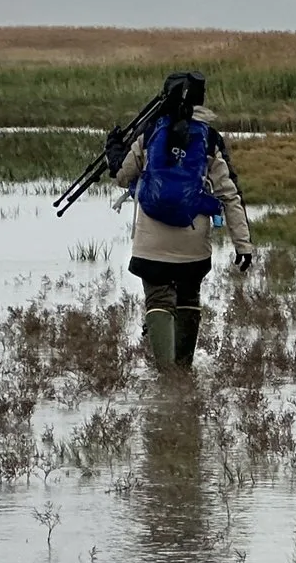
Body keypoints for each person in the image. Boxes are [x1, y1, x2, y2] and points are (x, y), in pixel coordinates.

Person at [105, 72, 253, 370]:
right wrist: (243, 245)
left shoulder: (149, 133)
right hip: (193, 243)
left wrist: (114, 151)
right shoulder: (209, 139)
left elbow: (123, 176)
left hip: (151, 244)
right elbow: (229, 195)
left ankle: (165, 376)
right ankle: (183, 374)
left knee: (158, 299)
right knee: (188, 296)